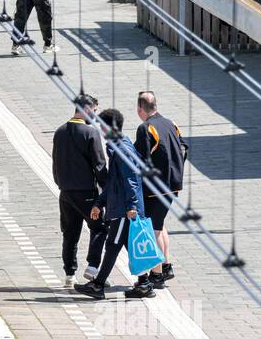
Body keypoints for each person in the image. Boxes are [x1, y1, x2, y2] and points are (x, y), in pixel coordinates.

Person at [73, 108, 153, 299]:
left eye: (101, 125)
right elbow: (114, 180)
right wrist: (99, 202)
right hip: (122, 206)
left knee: (113, 244)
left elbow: (131, 178)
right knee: (126, 243)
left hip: (124, 209)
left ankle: (98, 286)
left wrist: (132, 206)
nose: (100, 129)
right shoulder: (118, 145)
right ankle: (144, 284)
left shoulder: (122, 149)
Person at [133, 90, 188, 289]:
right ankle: (165, 266)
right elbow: (183, 148)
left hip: (154, 188)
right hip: (173, 184)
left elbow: (141, 159)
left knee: (152, 229)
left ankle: (156, 275)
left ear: (140, 108)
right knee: (160, 224)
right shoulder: (171, 123)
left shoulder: (145, 128)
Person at [52, 94, 107, 284]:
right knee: (99, 228)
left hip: (65, 193)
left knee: (70, 233)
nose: (95, 115)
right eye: (95, 110)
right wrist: (106, 190)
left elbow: (55, 163)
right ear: (87, 109)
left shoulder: (59, 131)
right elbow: (99, 165)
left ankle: (69, 274)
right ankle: (93, 268)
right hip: (86, 193)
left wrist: (61, 184)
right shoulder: (90, 133)